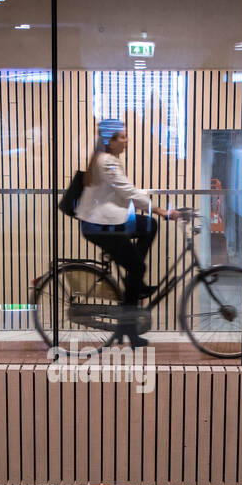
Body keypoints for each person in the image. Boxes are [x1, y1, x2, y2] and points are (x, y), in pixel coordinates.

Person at [74, 119, 180, 346]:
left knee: (148, 226)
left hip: (109, 220)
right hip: (100, 226)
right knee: (137, 267)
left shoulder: (107, 159)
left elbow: (125, 192)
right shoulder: (106, 162)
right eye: (122, 137)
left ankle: (135, 280)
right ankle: (129, 329)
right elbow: (128, 191)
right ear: (110, 141)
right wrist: (162, 210)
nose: (127, 140)